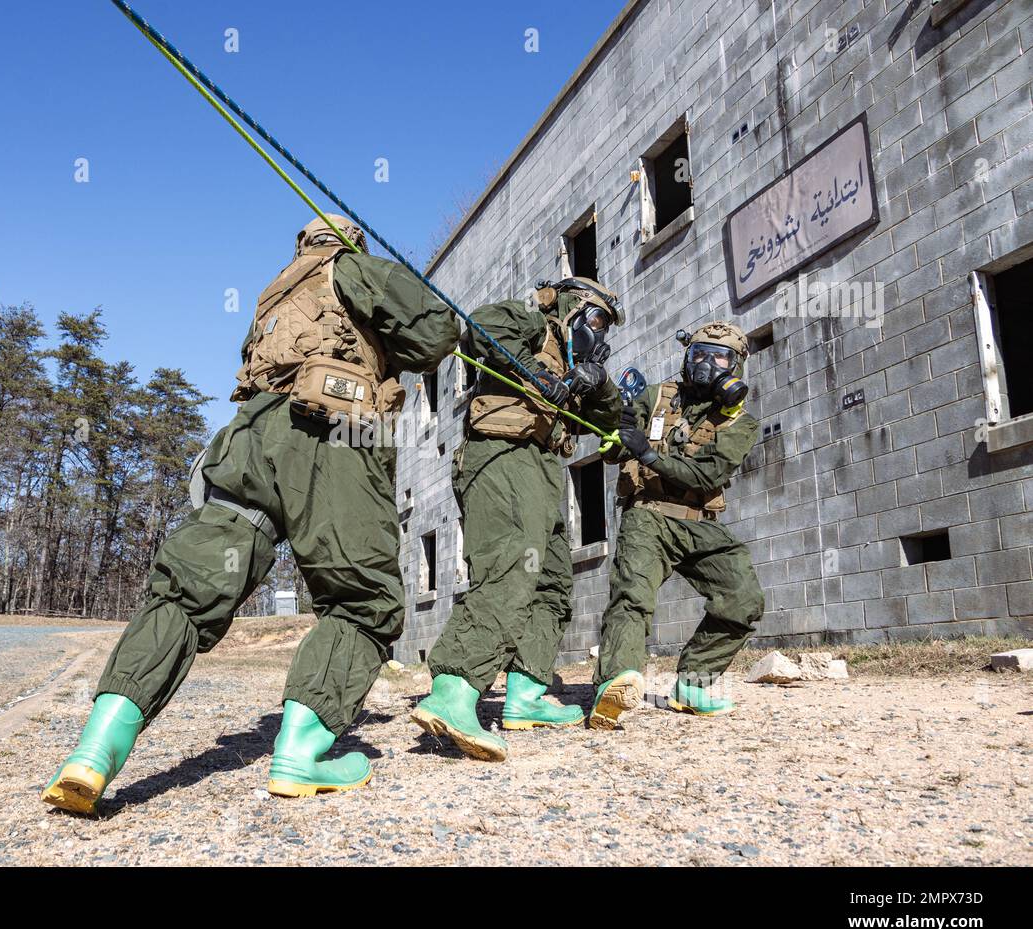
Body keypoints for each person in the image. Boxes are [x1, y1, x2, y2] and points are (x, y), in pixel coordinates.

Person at [42, 215, 459, 811]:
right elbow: (436, 335)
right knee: (363, 600)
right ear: (351, 244)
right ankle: (300, 755)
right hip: (334, 435)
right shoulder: (353, 267)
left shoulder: (272, 296)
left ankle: (93, 752)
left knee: (188, 593)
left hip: (248, 443)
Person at [410, 277, 624, 760]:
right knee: (510, 571)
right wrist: (536, 371)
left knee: (551, 582)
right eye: (595, 319)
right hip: (501, 455)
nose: (599, 331)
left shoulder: (579, 367)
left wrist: (599, 381)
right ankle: (454, 692)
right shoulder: (533, 324)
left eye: (605, 326)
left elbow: (608, 423)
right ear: (571, 309)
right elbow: (480, 328)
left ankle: (525, 695)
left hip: (546, 467)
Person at [589, 321, 764, 731]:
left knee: (743, 598)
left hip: (699, 522)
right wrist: (618, 438)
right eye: (699, 354)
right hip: (646, 512)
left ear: (735, 366)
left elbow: (705, 477)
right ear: (687, 357)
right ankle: (613, 687)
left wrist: (647, 456)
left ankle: (693, 684)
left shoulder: (740, 422)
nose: (707, 364)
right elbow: (616, 438)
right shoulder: (656, 397)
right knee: (632, 597)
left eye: (719, 357)